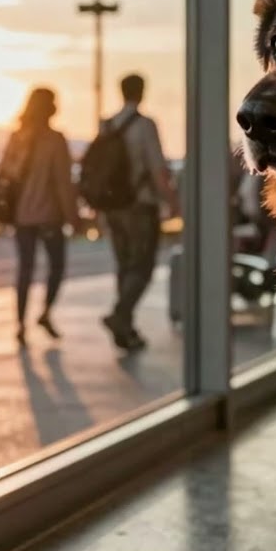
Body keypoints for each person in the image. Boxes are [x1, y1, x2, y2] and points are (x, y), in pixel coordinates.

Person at [100, 74, 178, 351]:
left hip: (112, 208)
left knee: (124, 267)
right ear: (141, 92)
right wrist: (172, 201)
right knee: (142, 267)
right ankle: (120, 316)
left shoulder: (107, 125)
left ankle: (126, 329)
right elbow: (157, 169)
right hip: (140, 205)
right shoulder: (145, 125)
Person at [0, 88, 80, 346]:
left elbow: (4, 173)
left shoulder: (17, 137)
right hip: (49, 217)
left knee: (25, 269)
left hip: (22, 216)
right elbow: (63, 183)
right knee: (56, 266)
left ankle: (20, 325)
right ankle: (45, 312)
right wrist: (73, 217)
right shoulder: (55, 140)